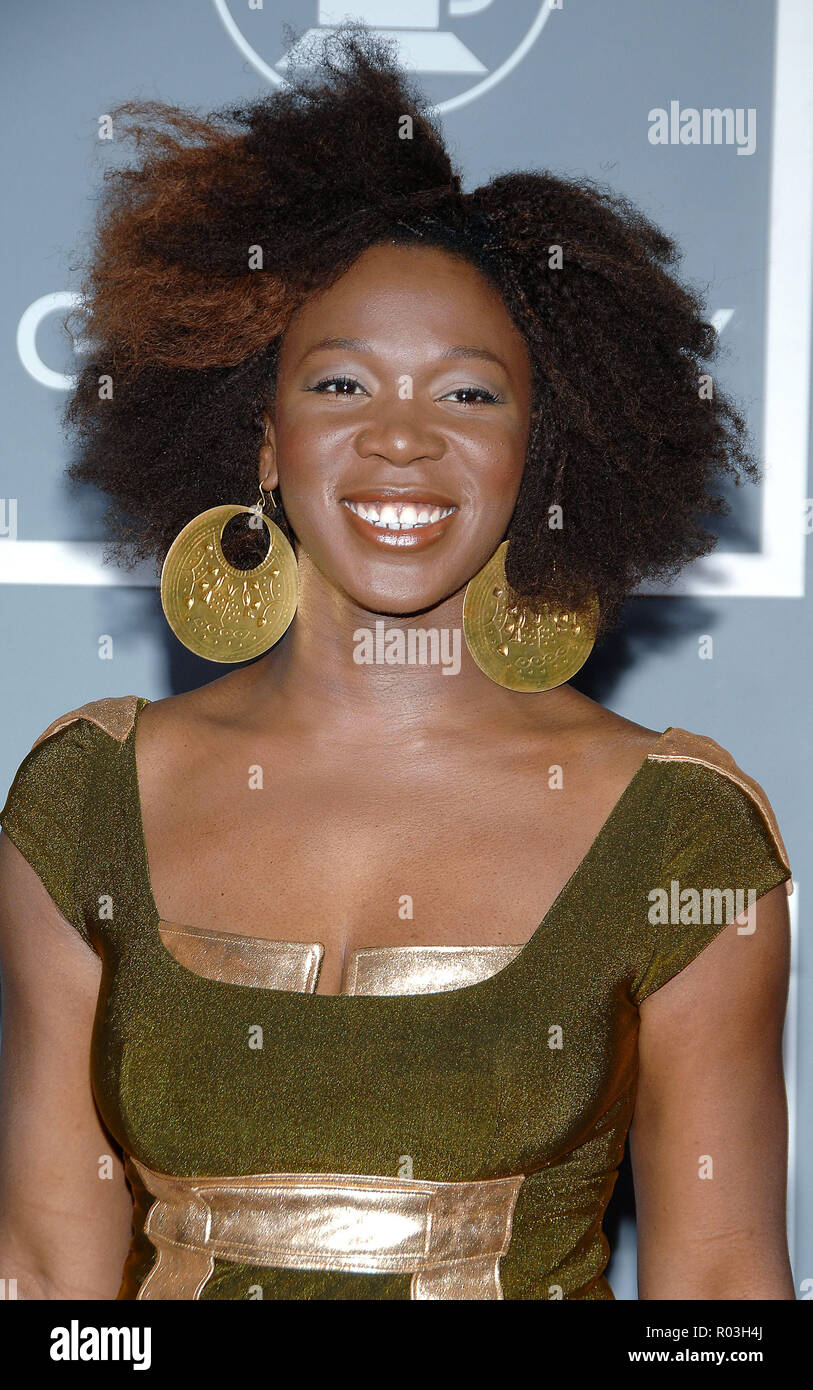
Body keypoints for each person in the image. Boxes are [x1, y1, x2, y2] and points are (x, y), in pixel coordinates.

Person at [0, 27, 794, 1300]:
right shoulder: (84, 803)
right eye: (341, 384)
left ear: (544, 453)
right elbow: (47, 1281)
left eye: (470, 397)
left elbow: (719, 1291)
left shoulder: (683, 840)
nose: (403, 443)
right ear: (263, 441)